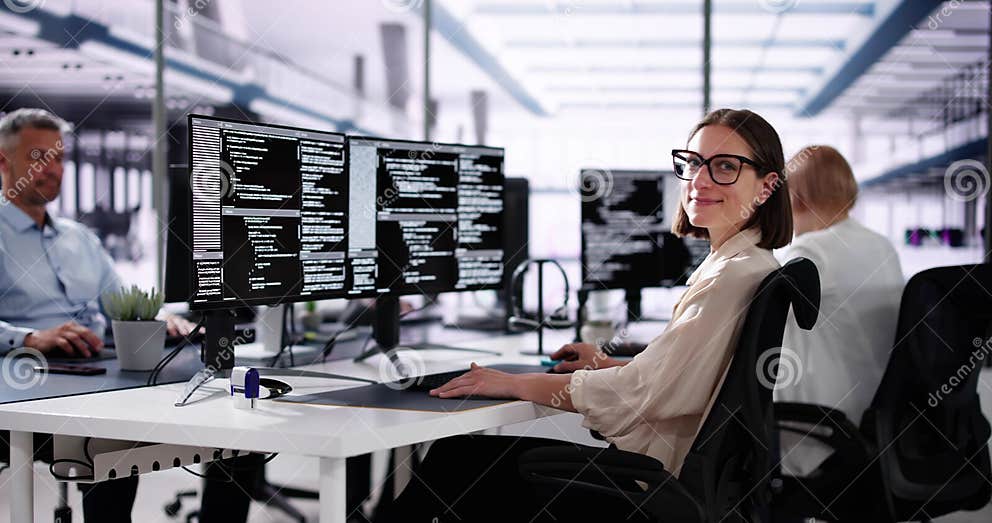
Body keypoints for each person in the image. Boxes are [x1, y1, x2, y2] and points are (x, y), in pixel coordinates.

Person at [374, 108, 792, 522]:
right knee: (460, 461)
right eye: (695, 163)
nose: (700, 180)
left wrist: (514, 382)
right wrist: (609, 366)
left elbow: (636, 397)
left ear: (767, 185)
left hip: (651, 490)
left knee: (454, 461)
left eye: (725, 167)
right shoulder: (746, 264)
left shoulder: (730, 277)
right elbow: (687, 381)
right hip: (672, 484)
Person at [0, 108, 196, 522]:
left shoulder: (80, 238)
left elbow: (121, 300)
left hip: (93, 376)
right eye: (38, 157)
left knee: (227, 410)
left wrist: (158, 316)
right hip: (25, 383)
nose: (52, 169)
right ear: (4, 162)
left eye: (58, 157)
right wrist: (30, 337)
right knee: (112, 435)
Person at [773, 145, 904, 476]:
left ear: (795, 199)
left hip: (825, 431)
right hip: (882, 421)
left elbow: (757, 320)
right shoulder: (882, 245)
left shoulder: (811, 251)